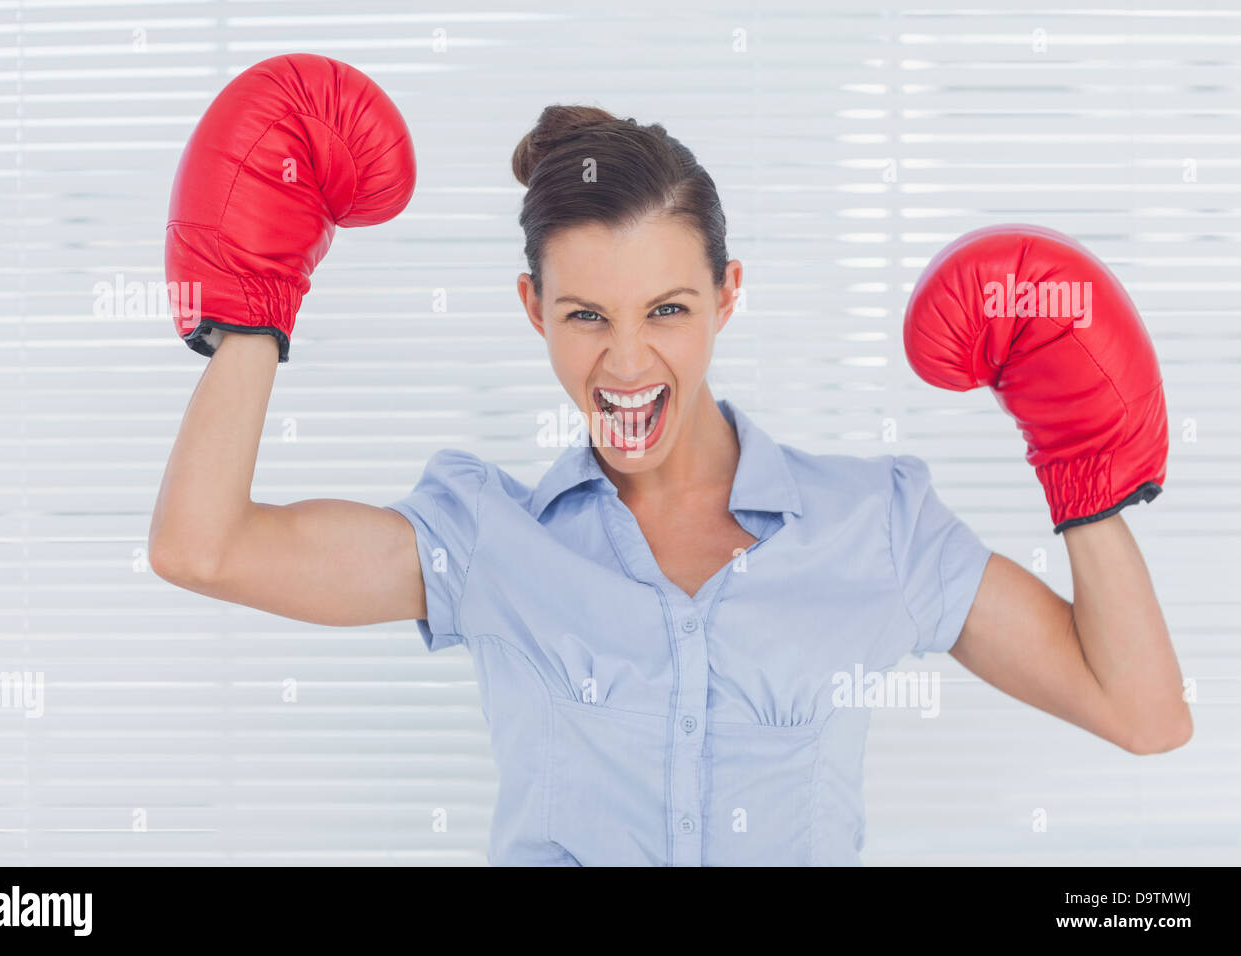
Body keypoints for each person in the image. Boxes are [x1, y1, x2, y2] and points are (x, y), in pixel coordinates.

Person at [150, 54, 1193, 866]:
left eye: (668, 310)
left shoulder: (871, 525)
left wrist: (1083, 467)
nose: (628, 361)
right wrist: (252, 312)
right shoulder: (487, 540)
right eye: (586, 316)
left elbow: (1141, 713)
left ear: (728, 294)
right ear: (533, 312)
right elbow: (203, 550)